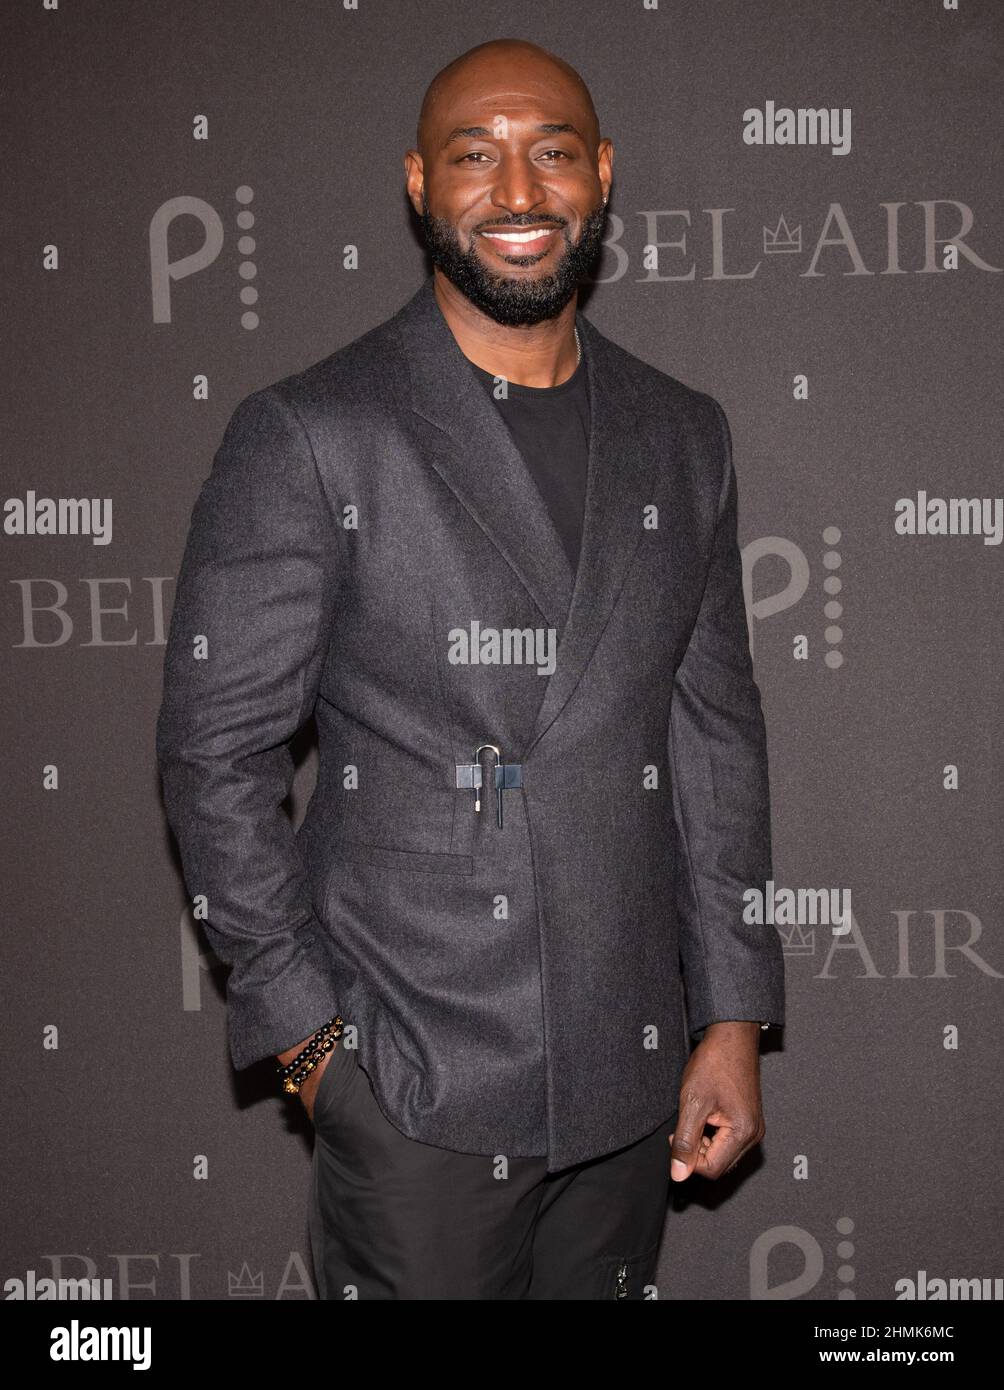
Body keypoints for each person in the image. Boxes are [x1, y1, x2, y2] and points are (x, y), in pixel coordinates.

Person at [155, 36, 785, 1301]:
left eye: (550, 152)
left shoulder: (681, 435)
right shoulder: (316, 432)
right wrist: (313, 1053)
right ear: (416, 185)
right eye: (473, 155)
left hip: (626, 1070)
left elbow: (713, 737)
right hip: (413, 1081)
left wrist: (727, 1018)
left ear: (600, 175)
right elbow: (212, 755)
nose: (516, 190)